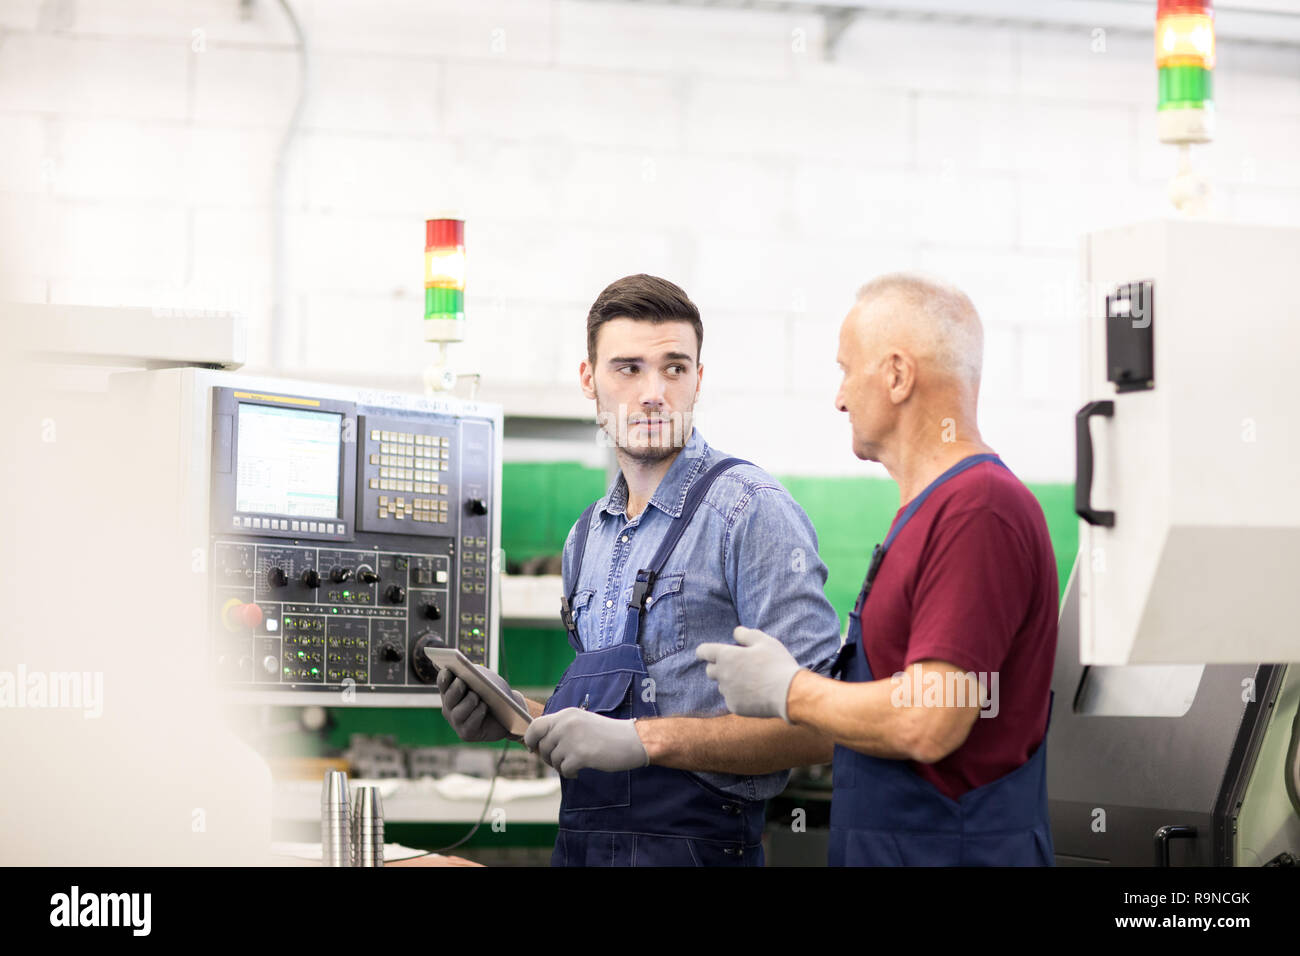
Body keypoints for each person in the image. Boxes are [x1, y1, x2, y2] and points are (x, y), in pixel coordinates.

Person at [437, 274, 841, 866]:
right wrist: (518, 718)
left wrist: (642, 742)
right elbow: (606, 726)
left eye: (674, 368)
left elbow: (821, 727)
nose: (654, 392)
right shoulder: (585, 537)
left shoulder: (751, 512)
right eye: (628, 368)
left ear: (698, 379)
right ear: (588, 380)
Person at [699, 273, 1059, 866]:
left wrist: (789, 690)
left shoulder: (979, 510)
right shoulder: (927, 512)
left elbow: (929, 719)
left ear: (897, 375)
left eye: (846, 369)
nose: (838, 398)